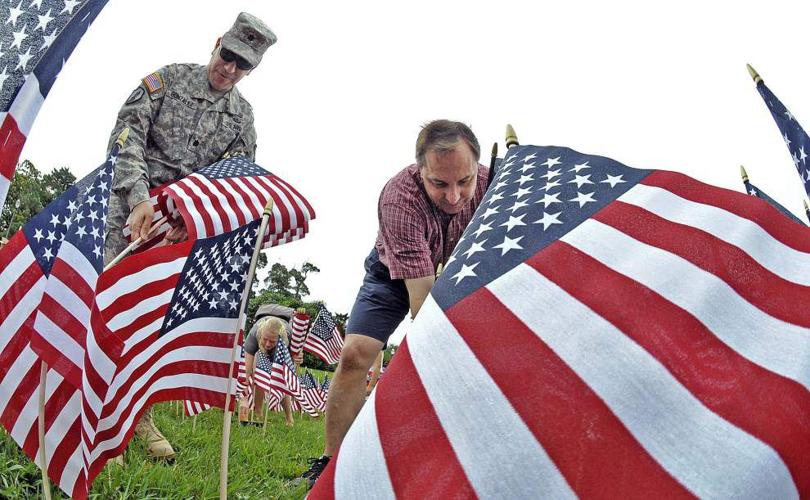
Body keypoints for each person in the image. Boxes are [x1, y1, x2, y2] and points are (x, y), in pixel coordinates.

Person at [103, 12, 277, 461]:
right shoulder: (167, 80)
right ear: (217, 43)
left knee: (151, 327)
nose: (230, 69)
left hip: (179, 233)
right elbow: (126, 136)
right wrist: (140, 197)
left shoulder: (242, 118)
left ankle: (134, 418)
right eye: (228, 56)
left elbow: (235, 183)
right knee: (109, 313)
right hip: (129, 213)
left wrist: (194, 219)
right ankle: (94, 414)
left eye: (243, 65)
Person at [296, 120, 489, 487]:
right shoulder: (399, 199)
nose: (453, 196)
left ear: (477, 166)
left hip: (463, 270)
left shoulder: (496, 181)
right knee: (355, 354)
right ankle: (331, 463)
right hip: (396, 276)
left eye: (464, 182)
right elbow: (423, 310)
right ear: (421, 170)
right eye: (439, 184)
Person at [240, 304, 304, 426]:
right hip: (258, 342)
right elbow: (246, 373)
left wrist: (299, 357)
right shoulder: (254, 335)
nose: (268, 344)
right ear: (261, 335)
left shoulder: (288, 337)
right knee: (258, 373)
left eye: (272, 341)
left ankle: (289, 418)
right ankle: (258, 412)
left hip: (283, 345)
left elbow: (297, 351)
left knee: (282, 380)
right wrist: (243, 399)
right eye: (265, 339)